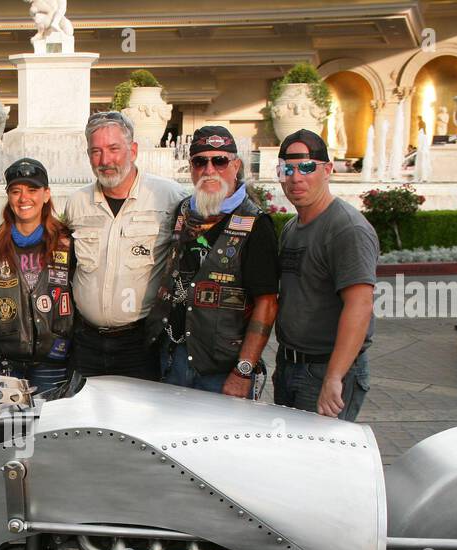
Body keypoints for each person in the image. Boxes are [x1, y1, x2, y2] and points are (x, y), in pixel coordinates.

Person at [151, 126, 278, 397]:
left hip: (222, 369)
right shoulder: (183, 212)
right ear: (191, 168)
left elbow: (267, 303)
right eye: (200, 161)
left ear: (236, 166)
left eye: (219, 161)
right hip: (173, 359)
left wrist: (244, 370)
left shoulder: (256, 223)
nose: (209, 170)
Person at [61, 111, 188, 380]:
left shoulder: (169, 197)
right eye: (96, 151)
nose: (105, 160)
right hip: (86, 343)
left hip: (141, 344)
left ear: (133, 150)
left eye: (113, 149)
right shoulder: (77, 204)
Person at [272, 129, 378, 422]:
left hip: (326, 370)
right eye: (287, 169)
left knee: (318, 451)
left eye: (307, 167)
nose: (296, 178)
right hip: (290, 364)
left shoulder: (346, 229)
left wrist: (334, 376)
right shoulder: (291, 228)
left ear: (328, 170)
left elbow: (360, 305)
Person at [0, 157, 75, 393]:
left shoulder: (66, 242)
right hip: (5, 362)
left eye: (32, 190)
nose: (24, 198)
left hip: (53, 360)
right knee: (3, 419)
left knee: (50, 418)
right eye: (16, 191)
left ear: (46, 194)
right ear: (8, 196)